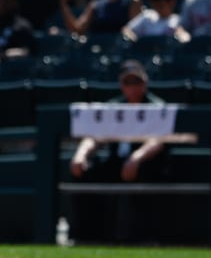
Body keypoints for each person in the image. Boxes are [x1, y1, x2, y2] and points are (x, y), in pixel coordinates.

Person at [68, 60, 177, 242]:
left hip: (146, 165)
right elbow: (96, 136)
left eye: (137, 82)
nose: (132, 87)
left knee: (139, 174)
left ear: (145, 83)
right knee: (84, 173)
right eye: (128, 83)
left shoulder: (156, 106)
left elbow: (157, 140)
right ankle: (84, 237)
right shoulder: (114, 106)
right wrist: (81, 155)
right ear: (121, 85)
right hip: (116, 162)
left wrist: (136, 158)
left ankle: (140, 239)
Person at [123, 0, 189, 42]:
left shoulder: (177, 20)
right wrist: (135, 40)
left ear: (172, 1)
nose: (161, 1)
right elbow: (126, 30)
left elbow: (184, 36)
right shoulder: (147, 16)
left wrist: (182, 36)